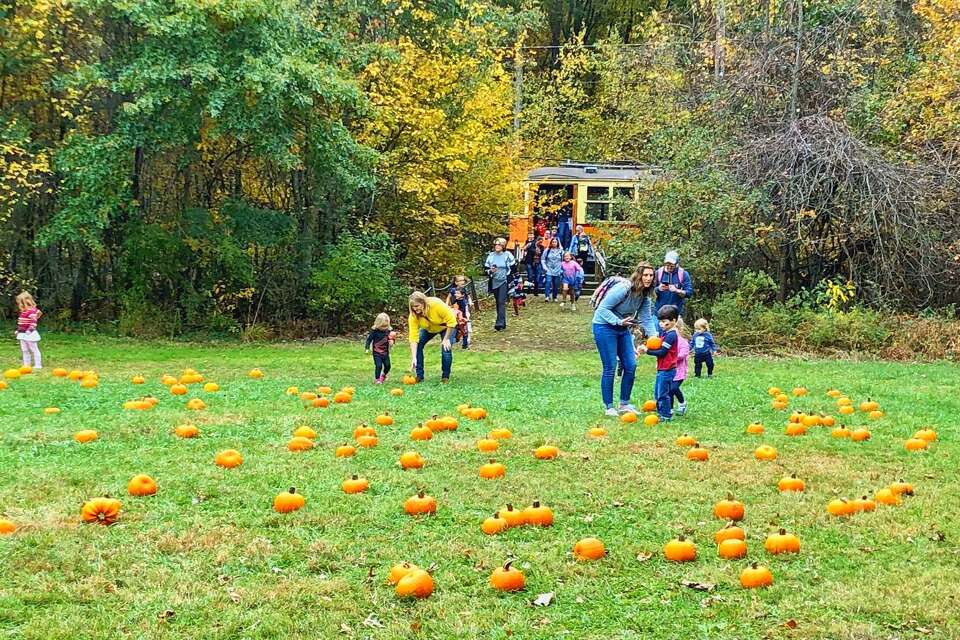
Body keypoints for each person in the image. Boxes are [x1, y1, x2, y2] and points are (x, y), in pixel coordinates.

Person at [592, 262, 658, 416]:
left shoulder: (644, 297)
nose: (648, 278)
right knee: (610, 366)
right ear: (639, 275)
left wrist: (655, 337)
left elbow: (646, 319)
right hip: (604, 326)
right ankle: (609, 407)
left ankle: (624, 404)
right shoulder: (624, 289)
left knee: (631, 365)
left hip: (623, 328)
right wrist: (618, 321)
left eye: (651, 275)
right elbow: (602, 309)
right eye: (645, 275)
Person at [638, 305, 681, 421]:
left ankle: (666, 415)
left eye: (664, 322)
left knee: (663, 393)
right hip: (662, 368)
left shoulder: (671, 335)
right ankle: (660, 411)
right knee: (658, 393)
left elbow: (662, 352)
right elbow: (657, 345)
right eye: (660, 322)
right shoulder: (665, 334)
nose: (661, 324)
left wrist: (647, 351)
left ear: (674, 321)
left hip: (667, 369)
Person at [408, 291, 457, 383]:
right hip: (429, 328)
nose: (415, 309)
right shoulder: (413, 316)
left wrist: (446, 339)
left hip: (446, 327)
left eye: (417, 306)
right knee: (418, 345)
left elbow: (452, 321)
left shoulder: (436, 305)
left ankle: (445, 377)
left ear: (423, 303)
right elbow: (413, 337)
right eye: (413, 307)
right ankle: (419, 376)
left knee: (445, 348)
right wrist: (414, 357)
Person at [484, 237, 516, 332]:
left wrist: (510, 274)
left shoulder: (507, 255)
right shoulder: (491, 256)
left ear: (503, 246)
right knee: (498, 301)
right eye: (496, 244)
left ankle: (499, 323)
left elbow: (513, 268)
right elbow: (485, 270)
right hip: (494, 281)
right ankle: (503, 323)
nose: (497, 246)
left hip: (504, 280)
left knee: (501, 301)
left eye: (499, 245)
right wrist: (490, 270)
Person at [655, 250, 694, 316]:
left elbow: (689, 292)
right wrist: (658, 289)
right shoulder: (658, 273)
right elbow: (650, 292)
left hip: (676, 313)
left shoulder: (683, 274)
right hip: (659, 312)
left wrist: (677, 290)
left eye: (672, 265)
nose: (669, 267)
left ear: (677, 264)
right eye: (667, 264)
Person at [364, 313, 395, 384]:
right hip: (376, 352)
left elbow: (392, 339)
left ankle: (383, 375)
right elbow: (369, 340)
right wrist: (367, 348)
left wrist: (392, 342)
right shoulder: (374, 331)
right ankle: (377, 379)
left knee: (388, 366)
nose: (384, 328)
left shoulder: (389, 331)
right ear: (378, 324)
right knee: (378, 365)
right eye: (382, 326)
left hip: (385, 352)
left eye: (386, 326)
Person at [15, 291, 42, 369]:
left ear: (24, 302)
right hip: (22, 334)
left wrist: (30, 330)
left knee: (34, 349)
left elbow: (33, 322)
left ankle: (38, 365)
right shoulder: (24, 312)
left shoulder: (31, 311)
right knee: (24, 350)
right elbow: (22, 323)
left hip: (30, 334)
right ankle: (26, 365)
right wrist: (18, 330)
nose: (19, 305)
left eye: (19, 303)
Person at [445, 275, 472, 349]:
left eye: (463, 280)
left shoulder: (464, 290)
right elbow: (448, 297)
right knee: (456, 325)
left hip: (464, 310)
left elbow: (468, 297)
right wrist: (446, 305)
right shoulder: (453, 290)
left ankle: (465, 344)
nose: (462, 282)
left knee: (465, 326)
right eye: (460, 281)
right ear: (456, 282)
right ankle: (455, 338)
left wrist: (470, 302)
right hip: (456, 311)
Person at [669, 319, 689, 415]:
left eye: (674, 329)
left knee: (673, 388)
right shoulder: (668, 340)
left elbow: (683, 354)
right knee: (669, 391)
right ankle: (670, 408)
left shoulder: (683, 342)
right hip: (668, 371)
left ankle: (682, 403)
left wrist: (672, 357)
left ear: (679, 329)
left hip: (679, 372)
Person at [540, 238, 564, 303]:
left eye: (555, 242)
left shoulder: (561, 251)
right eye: (553, 242)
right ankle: (547, 296)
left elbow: (563, 260)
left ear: (557, 243)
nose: (554, 243)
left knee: (556, 284)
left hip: (557, 269)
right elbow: (542, 259)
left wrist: (561, 269)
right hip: (549, 269)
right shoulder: (547, 250)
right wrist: (544, 267)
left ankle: (555, 296)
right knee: (548, 282)